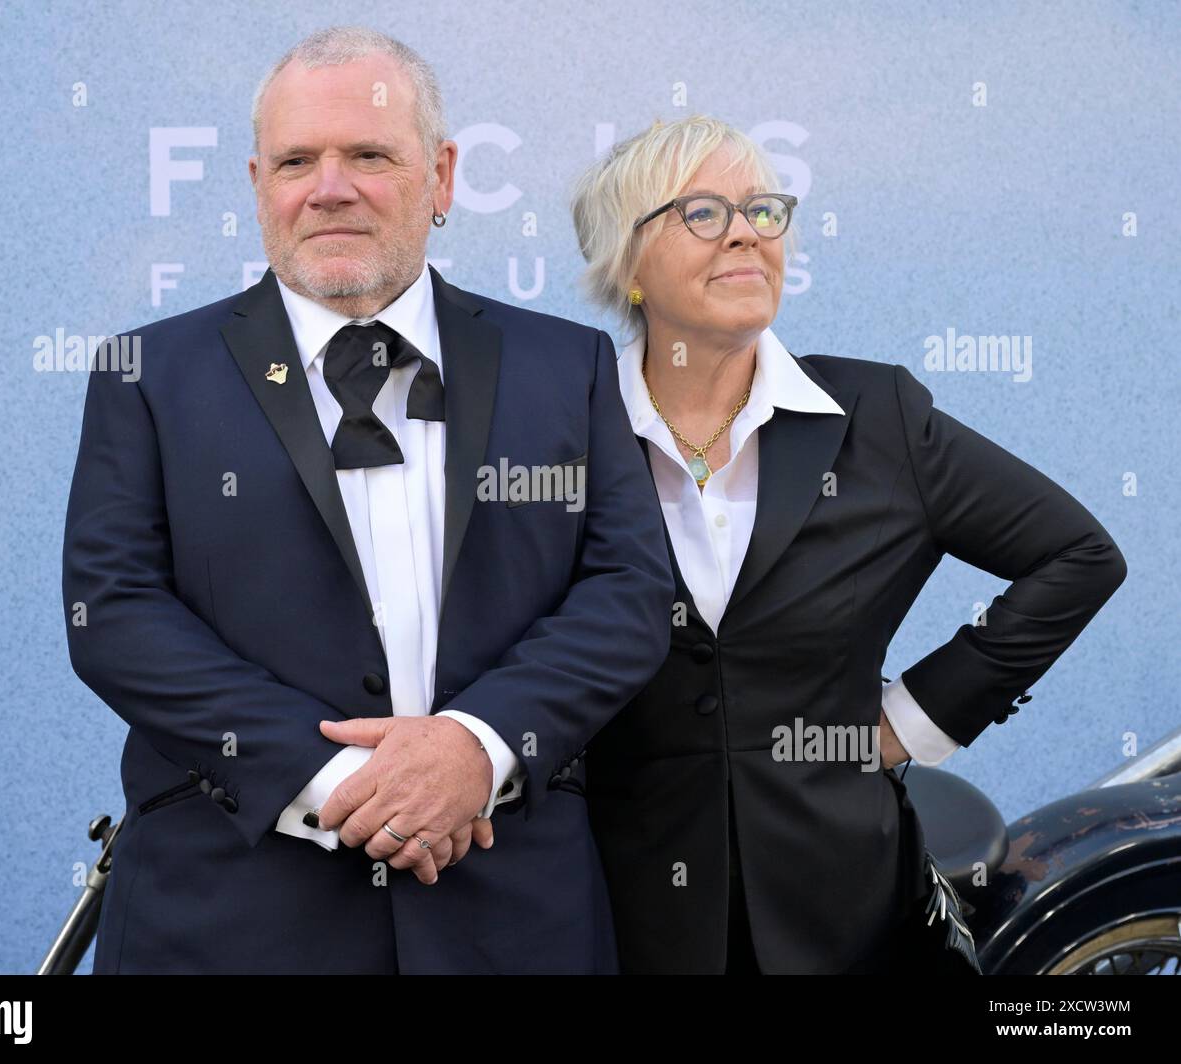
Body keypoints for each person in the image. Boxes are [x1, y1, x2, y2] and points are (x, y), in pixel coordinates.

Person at [62, 26, 673, 974]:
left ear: (441, 176)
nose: (330, 186)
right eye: (298, 160)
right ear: (258, 182)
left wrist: (475, 750)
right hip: (225, 921)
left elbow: (629, 591)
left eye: (370, 156)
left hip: (511, 921)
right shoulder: (147, 375)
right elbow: (114, 613)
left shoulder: (568, 368)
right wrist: (346, 782)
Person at [569, 114, 1128, 974]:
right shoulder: (564, 430)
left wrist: (912, 720)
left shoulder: (877, 419)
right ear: (626, 262)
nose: (748, 234)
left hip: (850, 914)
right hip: (618, 912)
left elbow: (1079, 556)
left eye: (763, 209)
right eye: (705, 213)